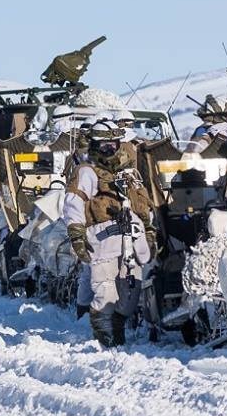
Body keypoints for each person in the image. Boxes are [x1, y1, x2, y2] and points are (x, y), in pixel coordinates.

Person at [64, 120, 157, 346]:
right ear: (95, 145)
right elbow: (73, 203)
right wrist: (77, 236)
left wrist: (149, 232)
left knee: (129, 296)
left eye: (114, 145)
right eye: (105, 146)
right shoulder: (86, 172)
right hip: (102, 239)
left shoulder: (129, 173)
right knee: (105, 292)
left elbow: (142, 204)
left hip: (131, 240)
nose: (111, 150)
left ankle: (117, 329)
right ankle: (106, 342)